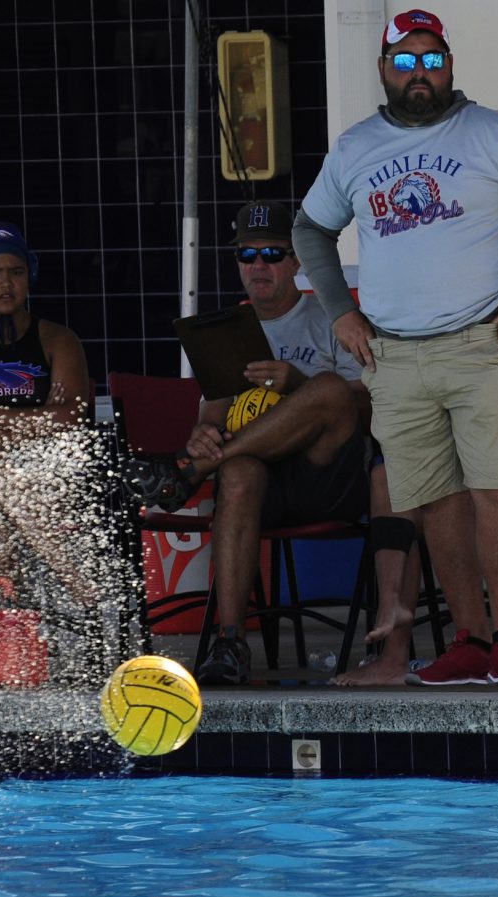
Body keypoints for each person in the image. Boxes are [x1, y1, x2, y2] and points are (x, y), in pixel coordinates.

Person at [292, 9, 498, 687]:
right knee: (435, 501)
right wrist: (341, 312)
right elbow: (309, 231)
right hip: (394, 356)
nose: (419, 71)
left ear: (451, 64)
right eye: (404, 60)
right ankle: (469, 639)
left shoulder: (493, 133)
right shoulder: (354, 148)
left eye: (432, 58)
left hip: (480, 342)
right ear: (382, 69)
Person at [125, 200, 371, 686]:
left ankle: (186, 476)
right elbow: (213, 417)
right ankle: (231, 640)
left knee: (327, 388)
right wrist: (201, 439)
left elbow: (365, 408)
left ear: (297, 261)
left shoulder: (333, 317)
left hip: (327, 477)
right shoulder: (225, 329)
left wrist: (296, 383)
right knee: (236, 470)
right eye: (247, 254)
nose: (259, 265)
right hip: (259, 484)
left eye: (273, 254)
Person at [332, 330, 498, 686]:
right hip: (449, 483)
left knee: (461, 491)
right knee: (387, 481)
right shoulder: (411, 349)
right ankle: (394, 643)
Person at [0, 221, 97, 604]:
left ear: (29, 277)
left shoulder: (57, 339)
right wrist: (37, 416)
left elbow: (70, 419)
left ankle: (8, 610)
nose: (6, 283)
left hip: (49, 472)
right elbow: (52, 417)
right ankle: (76, 585)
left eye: (15, 272)